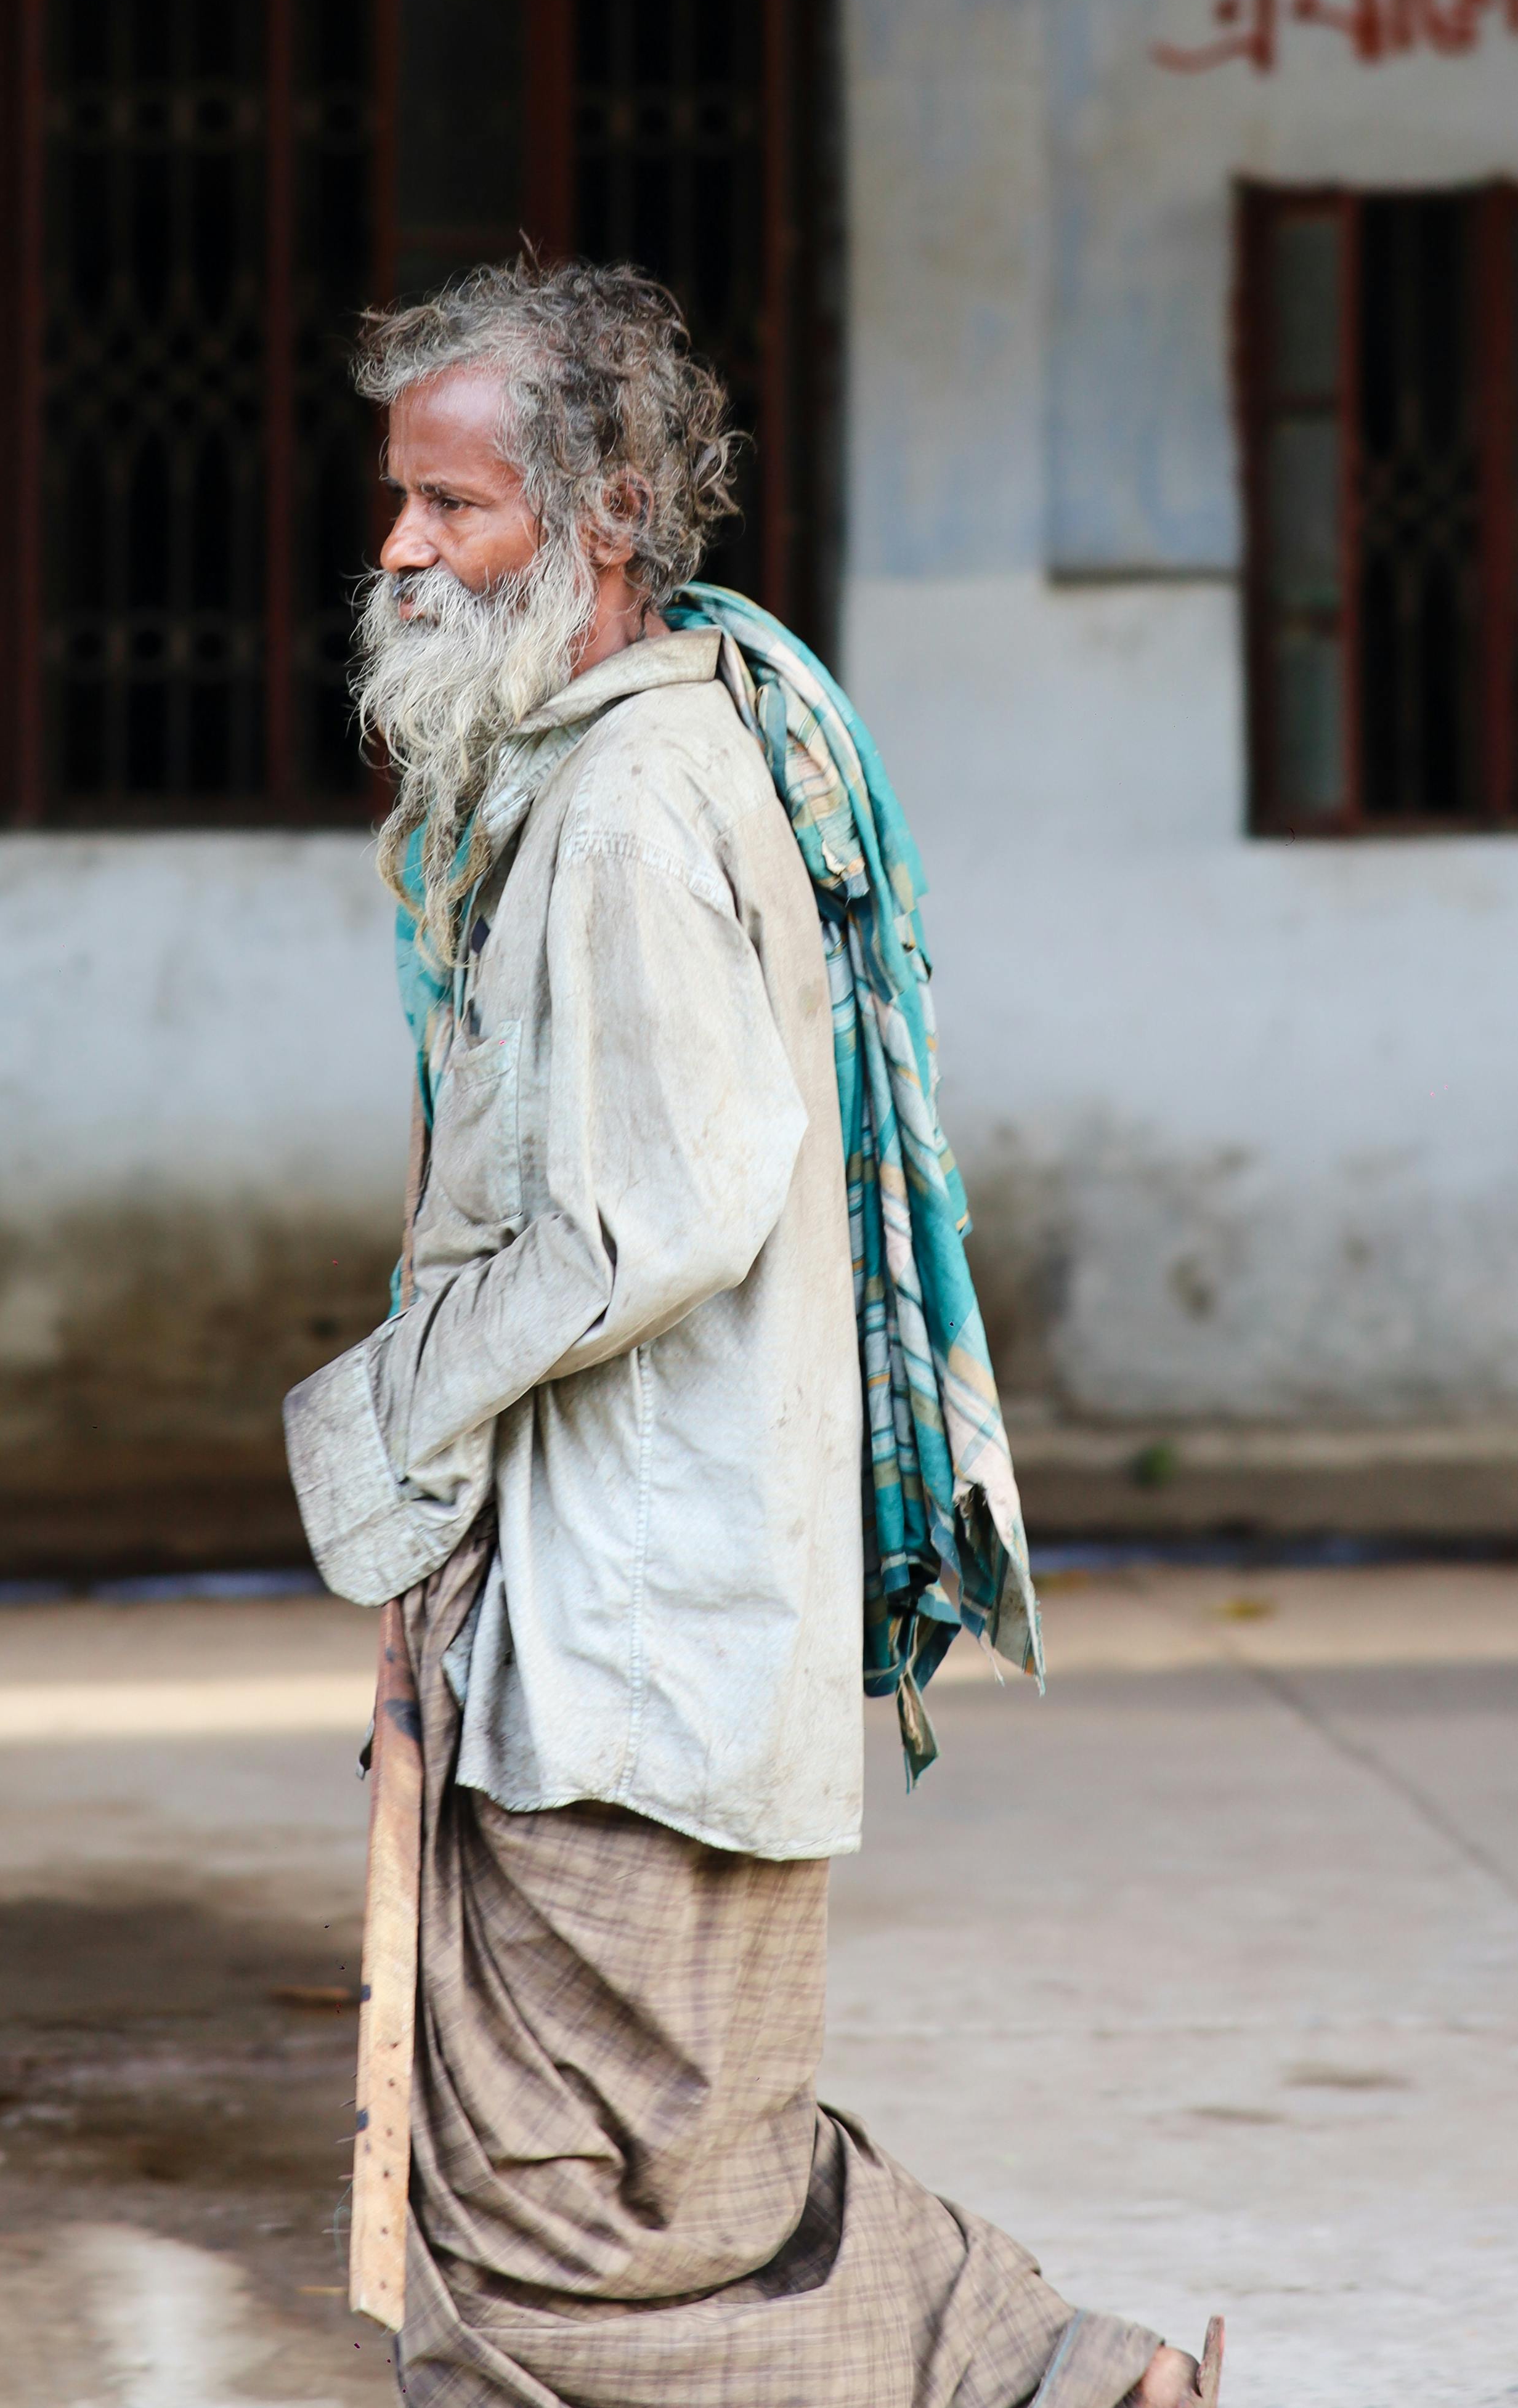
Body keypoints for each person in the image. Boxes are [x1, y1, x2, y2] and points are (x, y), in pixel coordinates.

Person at [283, 260, 1217, 2408]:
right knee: (675, 2185)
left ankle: (1046, 2372)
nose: (403, 551)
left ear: (604, 513)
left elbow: (656, 1216)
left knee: (565, 2254)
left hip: (643, 1637)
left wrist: (382, 1417)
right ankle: (1072, 2368)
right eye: (399, 505)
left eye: (457, 509)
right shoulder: (671, 733)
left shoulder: (625, 806)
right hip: (653, 1623)